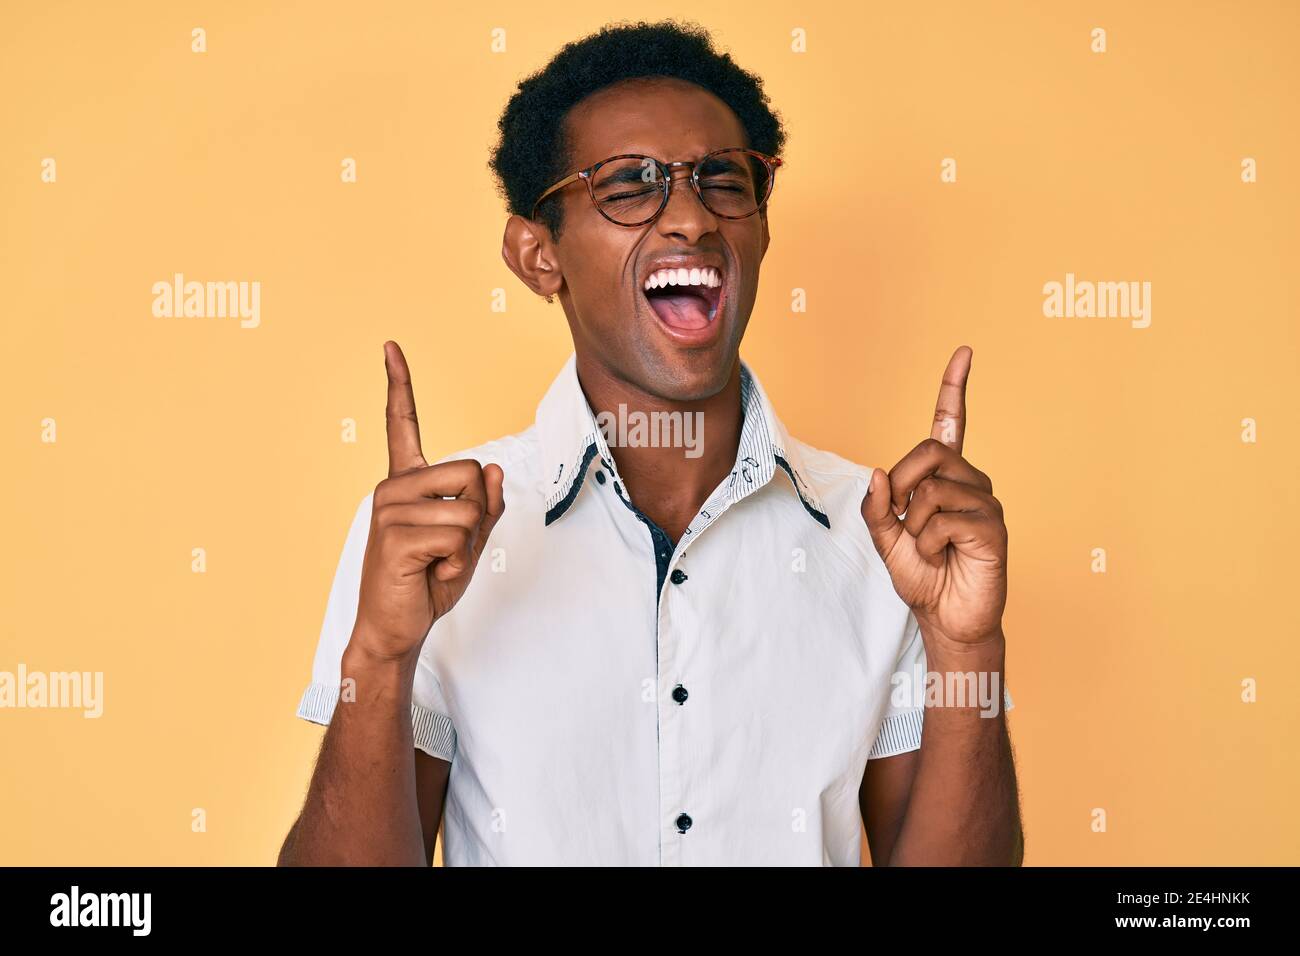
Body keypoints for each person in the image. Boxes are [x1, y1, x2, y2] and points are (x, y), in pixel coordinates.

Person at [278, 19, 1022, 866]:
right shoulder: (432, 543)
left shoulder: (884, 538)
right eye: (629, 185)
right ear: (537, 256)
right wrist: (379, 655)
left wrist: (969, 647)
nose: (691, 218)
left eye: (722, 182)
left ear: (761, 230)